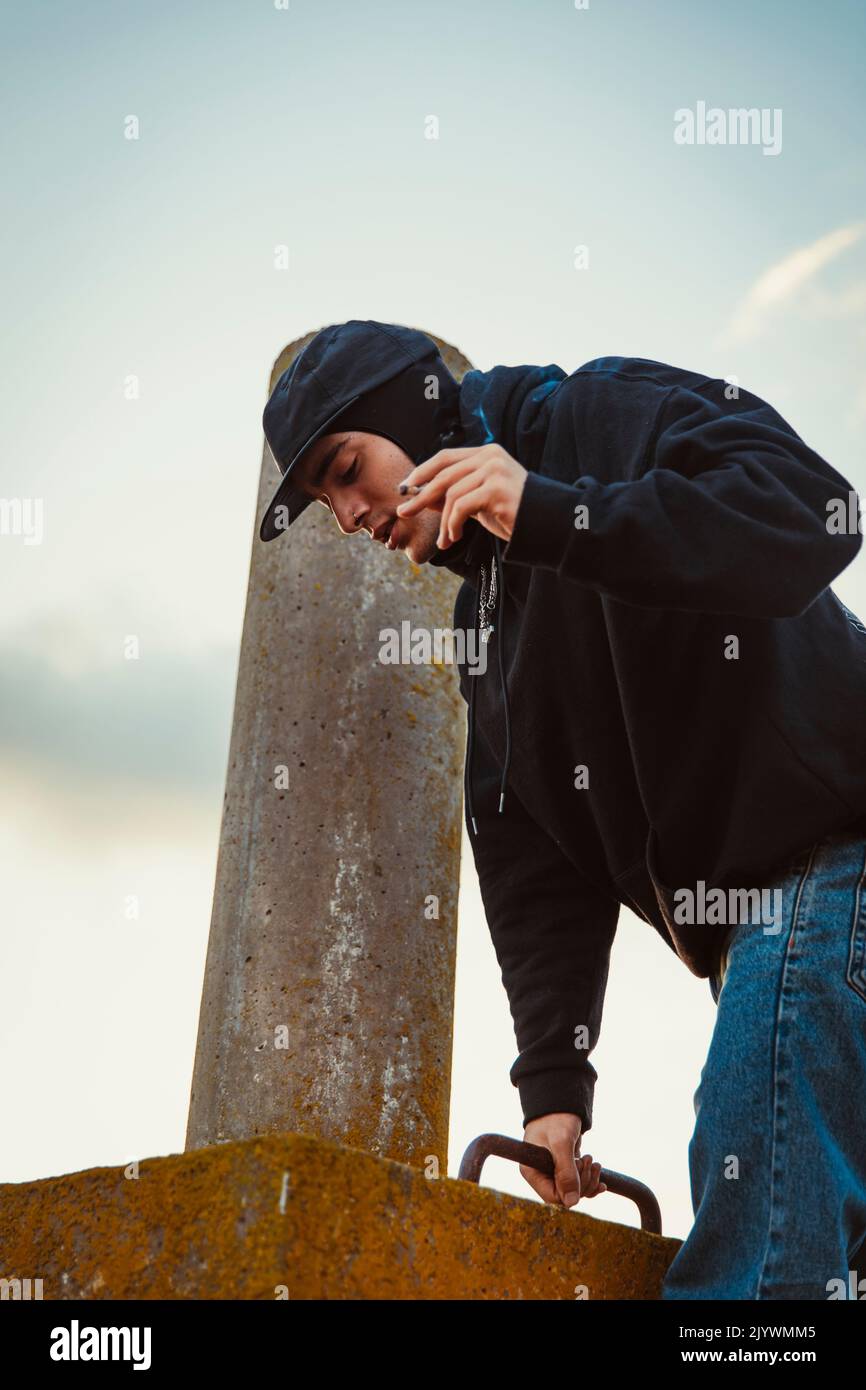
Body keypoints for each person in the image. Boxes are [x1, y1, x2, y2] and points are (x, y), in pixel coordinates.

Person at [259, 319, 866, 1299]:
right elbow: (528, 855)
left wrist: (553, 511)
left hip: (832, 872)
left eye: (343, 467)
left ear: (411, 413)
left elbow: (815, 512)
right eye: (324, 496)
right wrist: (551, 1091)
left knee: (757, 1238)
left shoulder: (593, 417)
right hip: (776, 938)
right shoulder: (486, 639)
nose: (348, 514)